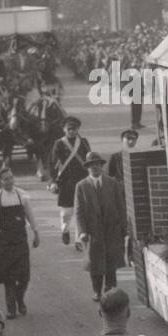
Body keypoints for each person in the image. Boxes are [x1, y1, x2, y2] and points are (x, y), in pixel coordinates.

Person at [74, 151, 127, 301]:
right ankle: (97, 290)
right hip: (93, 231)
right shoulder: (82, 186)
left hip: (111, 229)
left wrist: (124, 227)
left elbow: (120, 206)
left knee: (111, 261)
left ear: (102, 166)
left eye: (97, 164)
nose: (95, 168)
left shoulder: (112, 183)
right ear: (87, 168)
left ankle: (110, 290)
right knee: (95, 262)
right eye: (91, 165)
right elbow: (79, 211)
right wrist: (82, 231)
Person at [0, 167, 39, 319]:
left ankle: (20, 299)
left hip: (20, 241)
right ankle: (11, 308)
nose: (9, 181)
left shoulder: (22, 196)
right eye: (6, 179)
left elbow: (30, 216)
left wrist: (36, 233)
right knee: (8, 278)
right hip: (3, 243)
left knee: (24, 277)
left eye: (11, 178)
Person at [50, 116, 91, 244]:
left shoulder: (83, 142)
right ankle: (65, 229)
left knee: (81, 211)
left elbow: (89, 160)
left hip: (81, 179)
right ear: (64, 129)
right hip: (66, 181)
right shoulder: (59, 143)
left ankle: (79, 239)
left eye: (74, 129)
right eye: (69, 129)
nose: (71, 131)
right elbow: (53, 163)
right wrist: (53, 181)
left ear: (78, 129)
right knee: (66, 212)